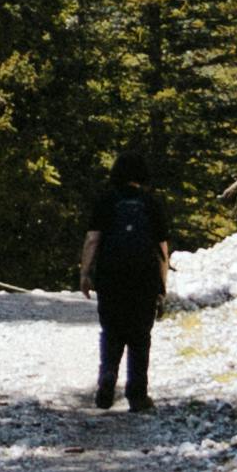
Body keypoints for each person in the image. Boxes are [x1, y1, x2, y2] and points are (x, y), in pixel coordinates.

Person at [78, 158, 170, 411]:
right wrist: (162, 287)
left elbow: (92, 239)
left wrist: (85, 273)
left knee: (112, 331)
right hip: (144, 278)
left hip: (111, 276)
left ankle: (107, 381)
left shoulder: (106, 200)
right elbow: (162, 249)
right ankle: (137, 394)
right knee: (140, 336)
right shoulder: (152, 204)